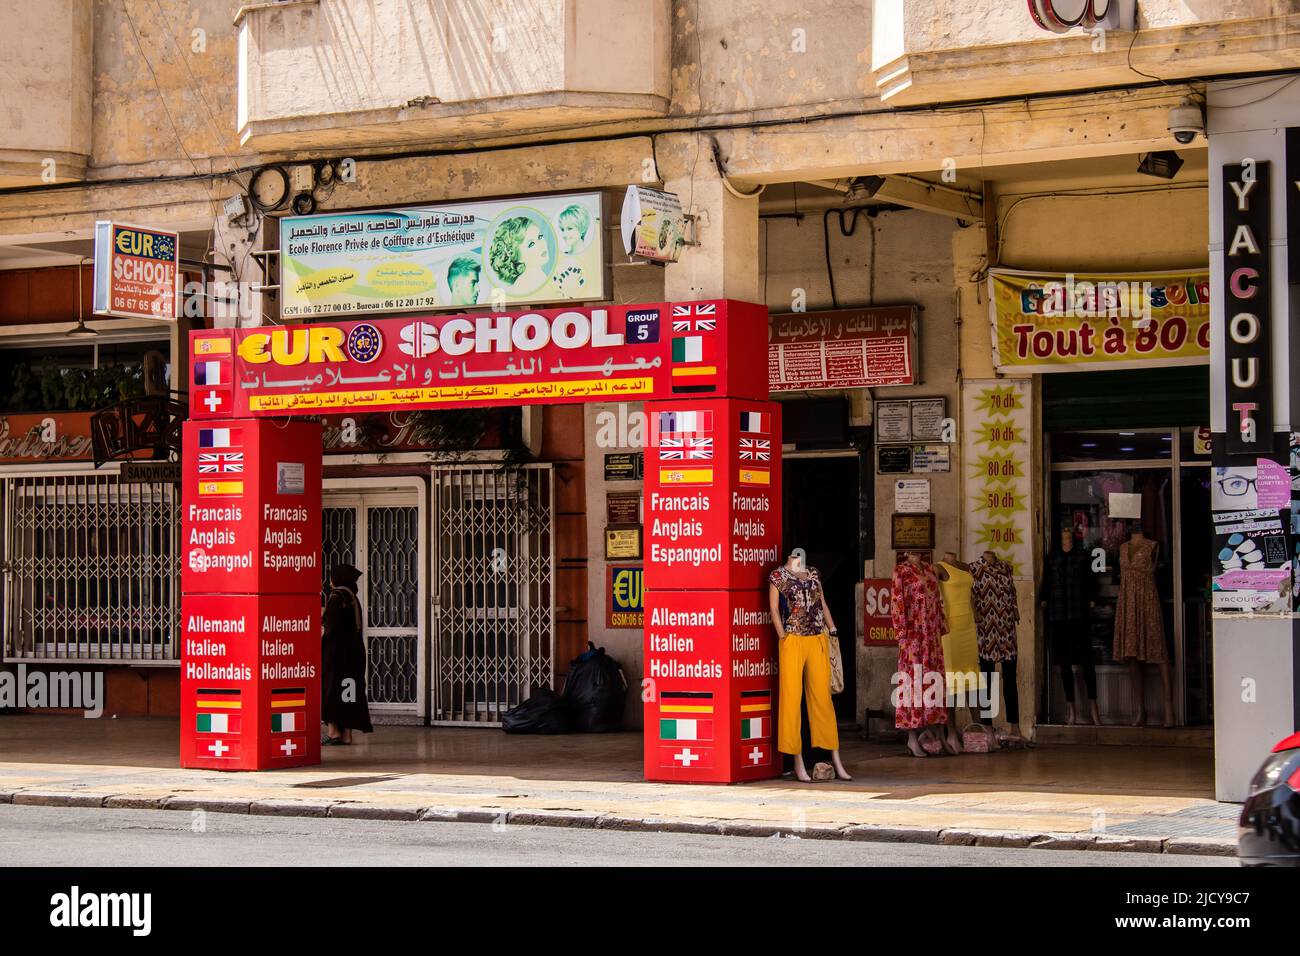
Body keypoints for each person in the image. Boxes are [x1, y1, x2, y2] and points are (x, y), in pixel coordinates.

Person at [769, 548, 851, 782]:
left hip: (817, 637)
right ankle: (798, 763)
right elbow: (774, 608)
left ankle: (835, 758)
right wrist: (782, 635)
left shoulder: (813, 572)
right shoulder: (778, 576)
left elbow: (822, 602)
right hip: (793, 639)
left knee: (823, 699)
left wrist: (832, 629)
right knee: (791, 700)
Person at [891, 551, 950, 757]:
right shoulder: (901, 571)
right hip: (914, 634)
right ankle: (912, 738)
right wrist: (902, 634)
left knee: (933, 682)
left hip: (931, 634)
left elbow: (938, 598)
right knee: (912, 681)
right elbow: (897, 602)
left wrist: (941, 626)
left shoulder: (930, 569)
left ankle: (937, 733)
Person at [1039, 526, 1099, 726]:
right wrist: (1044, 599)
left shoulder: (1083, 556)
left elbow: (1091, 582)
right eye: (1063, 531)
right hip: (1059, 616)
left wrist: (1091, 598)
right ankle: (1070, 709)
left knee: (1087, 662)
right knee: (1064, 663)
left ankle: (1093, 708)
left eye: (1068, 531)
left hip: (1078, 615)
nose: (1066, 533)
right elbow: (1046, 582)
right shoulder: (1052, 557)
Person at [970, 550, 1022, 738]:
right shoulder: (974, 569)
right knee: (987, 683)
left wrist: (1015, 612)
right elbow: (972, 598)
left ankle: (1015, 728)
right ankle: (988, 729)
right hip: (987, 632)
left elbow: (1012, 593)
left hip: (1007, 631)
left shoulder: (1006, 568)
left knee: (1010, 681)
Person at [322, 563, 373, 745]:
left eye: (331, 578)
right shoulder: (352, 597)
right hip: (353, 654)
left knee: (331, 690)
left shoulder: (337, 597)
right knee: (349, 693)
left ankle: (334, 731)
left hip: (337, 655)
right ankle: (347, 735)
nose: (329, 583)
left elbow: (332, 627)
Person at [488, 215, 550, 293]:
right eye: (531, 244)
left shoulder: (535, 276)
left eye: (540, 237)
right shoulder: (535, 278)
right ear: (516, 256)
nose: (541, 244)